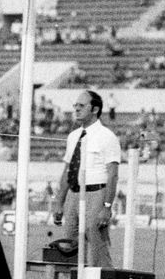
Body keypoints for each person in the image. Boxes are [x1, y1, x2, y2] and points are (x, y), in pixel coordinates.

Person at [50, 90, 121, 269]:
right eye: (75, 106)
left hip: (96, 192)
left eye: (81, 106)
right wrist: (59, 201)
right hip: (74, 193)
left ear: (95, 109)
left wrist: (107, 207)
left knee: (94, 236)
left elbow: (112, 174)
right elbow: (68, 170)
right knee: (69, 242)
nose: (76, 109)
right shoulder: (73, 136)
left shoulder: (107, 137)